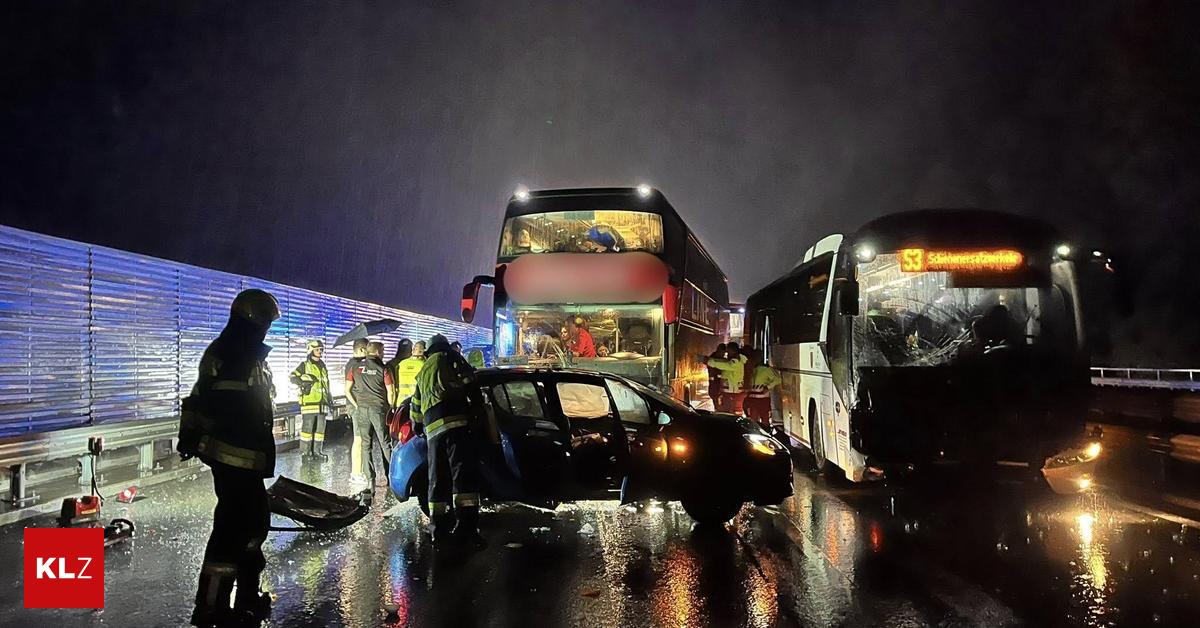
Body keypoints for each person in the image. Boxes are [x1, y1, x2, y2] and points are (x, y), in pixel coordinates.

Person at [182, 289, 279, 627]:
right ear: (250, 321)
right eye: (265, 323)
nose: (266, 330)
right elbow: (215, 404)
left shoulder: (246, 353)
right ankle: (211, 607)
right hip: (233, 456)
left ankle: (247, 596)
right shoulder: (231, 352)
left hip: (247, 458)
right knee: (230, 533)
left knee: (254, 526)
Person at [411, 333, 486, 548]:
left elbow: (415, 407)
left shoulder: (423, 371)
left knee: (437, 478)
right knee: (463, 479)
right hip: (456, 425)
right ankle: (467, 530)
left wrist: (418, 427)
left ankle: (439, 530)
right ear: (445, 347)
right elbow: (471, 385)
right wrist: (477, 411)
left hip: (433, 431)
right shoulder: (453, 358)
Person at [345, 341, 394, 493]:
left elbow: (347, 390)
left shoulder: (355, 368)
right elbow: (391, 391)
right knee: (385, 443)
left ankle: (370, 481)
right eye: (383, 351)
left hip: (362, 410)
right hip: (378, 410)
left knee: (366, 445)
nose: (383, 353)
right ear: (378, 352)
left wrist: (357, 405)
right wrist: (391, 407)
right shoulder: (383, 369)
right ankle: (391, 476)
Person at [289, 339, 332, 461]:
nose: (320, 352)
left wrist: (329, 398)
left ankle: (317, 452)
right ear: (311, 350)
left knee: (320, 431)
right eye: (317, 349)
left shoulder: (323, 365)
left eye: (321, 349)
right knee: (307, 430)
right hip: (309, 403)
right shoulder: (304, 365)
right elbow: (292, 377)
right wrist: (302, 382)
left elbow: (326, 384)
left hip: (322, 403)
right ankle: (305, 453)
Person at [705, 341, 749, 415]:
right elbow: (722, 362)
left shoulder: (735, 363)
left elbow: (724, 365)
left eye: (728, 352)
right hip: (731, 394)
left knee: (727, 415)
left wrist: (709, 362)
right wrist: (710, 360)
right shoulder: (736, 361)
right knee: (728, 415)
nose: (727, 354)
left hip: (732, 394)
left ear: (733, 351)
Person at [743, 350, 782, 429]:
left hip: (763, 399)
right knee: (753, 420)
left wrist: (768, 387)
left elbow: (778, 379)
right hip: (752, 399)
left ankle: (766, 432)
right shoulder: (751, 369)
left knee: (765, 419)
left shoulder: (766, 369)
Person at [393, 340, 426, 405]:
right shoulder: (424, 365)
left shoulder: (401, 364)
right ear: (424, 351)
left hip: (400, 402)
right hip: (416, 403)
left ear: (412, 351)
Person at [707, 343, 728, 409]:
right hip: (715, 386)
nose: (723, 355)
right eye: (723, 353)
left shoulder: (715, 358)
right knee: (717, 404)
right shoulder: (713, 360)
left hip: (718, 385)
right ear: (719, 350)